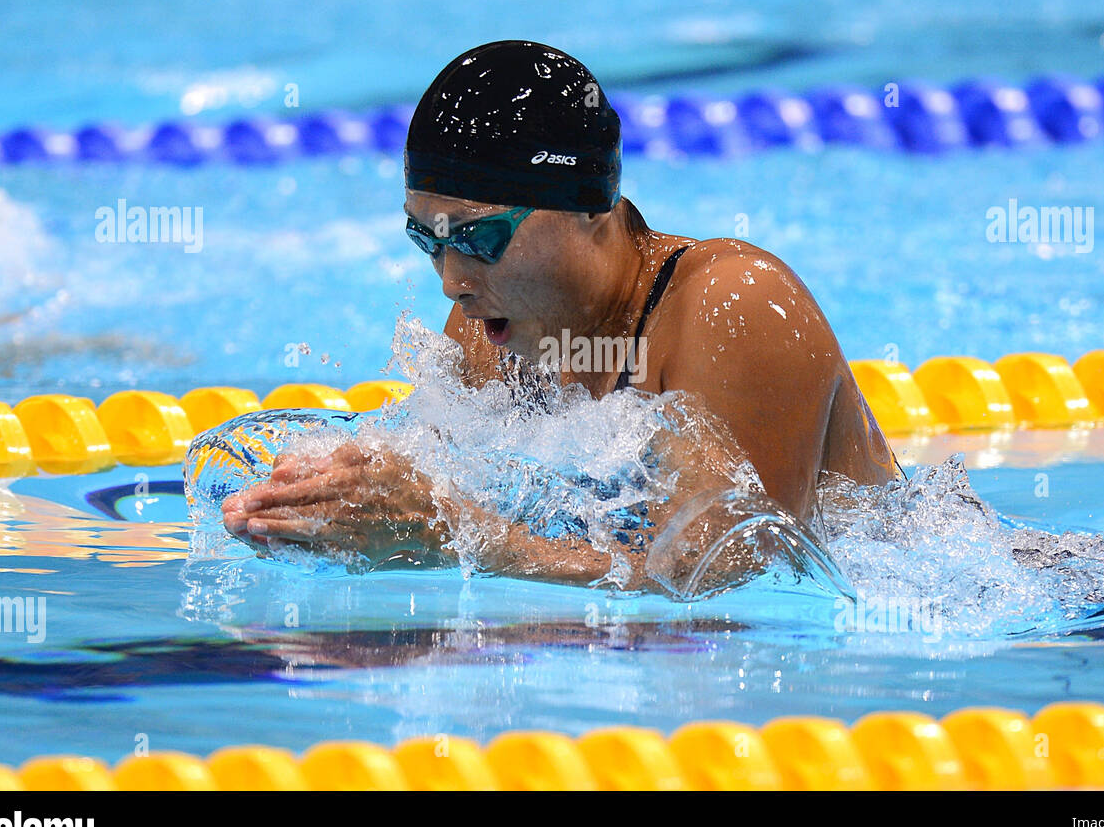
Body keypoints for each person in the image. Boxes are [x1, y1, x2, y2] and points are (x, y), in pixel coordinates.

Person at [222, 40, 898, 588]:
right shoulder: (493, 330)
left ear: (586, 206)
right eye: (427, 241)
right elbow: (445, 494)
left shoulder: (731, 308)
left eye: (478, 238)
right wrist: (339, 504)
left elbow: (728, 579)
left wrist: (463, 537)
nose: (452, 282)